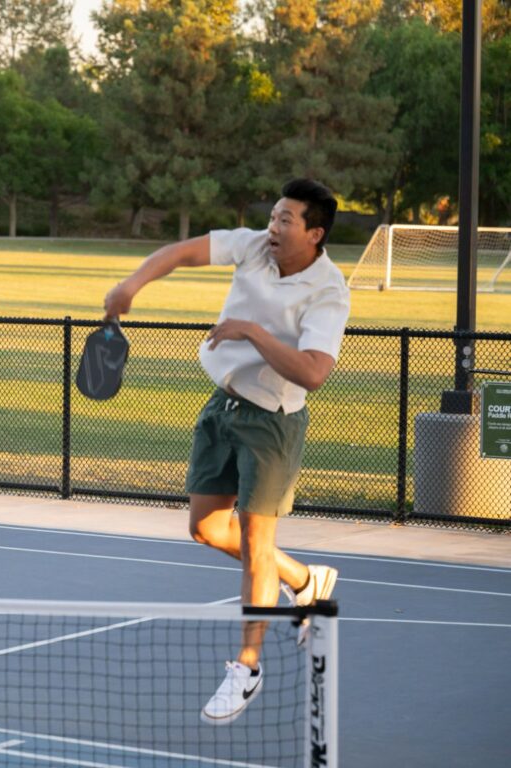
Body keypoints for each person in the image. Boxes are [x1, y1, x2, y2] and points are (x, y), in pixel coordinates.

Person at [102, 179, 348, 726]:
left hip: (272, 422)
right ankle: (305, 581)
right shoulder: (253, 245)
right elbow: (180, 252)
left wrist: (253, 333)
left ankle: (248, 666)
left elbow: (313, 372)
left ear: (314, 233)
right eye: (274, 215)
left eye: (286, 220)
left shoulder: (328, 291)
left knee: (258, 543)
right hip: (222, 406)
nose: (274, 226)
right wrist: (130, 285)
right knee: (207, 528)